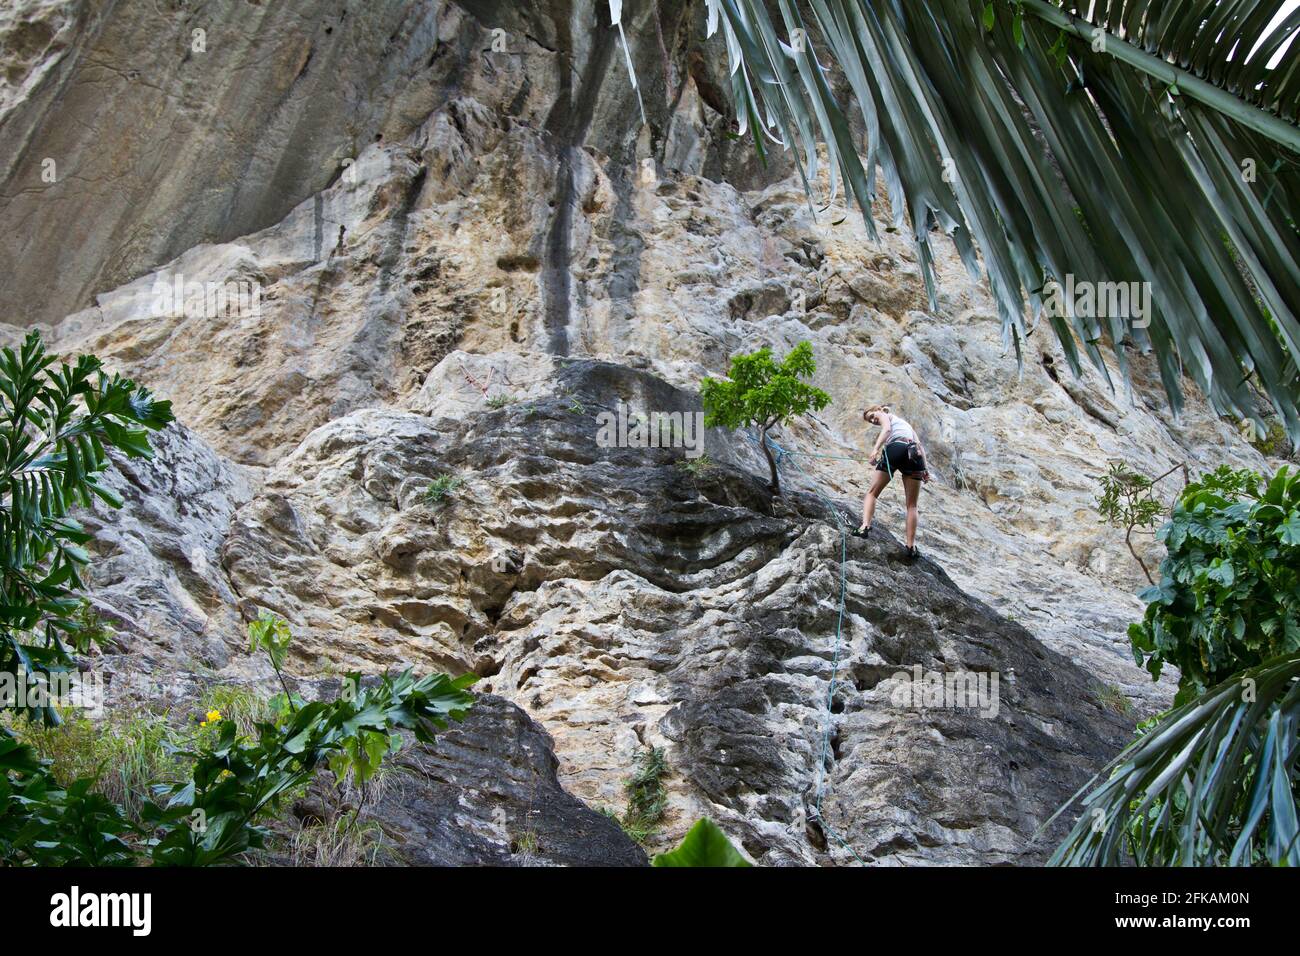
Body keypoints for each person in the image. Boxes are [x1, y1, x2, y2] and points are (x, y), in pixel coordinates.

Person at [853, 404, 929, 560]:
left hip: (896, 448)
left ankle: (864, 526)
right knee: (912, 505)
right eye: (870, 420)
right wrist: (925, 469)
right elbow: (919, 445)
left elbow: (887, 430)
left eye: (872, 416)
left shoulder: (885, 415)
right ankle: (910, 547)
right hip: (914, 454)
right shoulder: (905, 424)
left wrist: (875, 449)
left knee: (872, 493)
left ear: (879, 409)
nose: (873, 420)